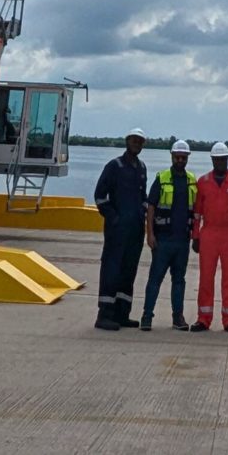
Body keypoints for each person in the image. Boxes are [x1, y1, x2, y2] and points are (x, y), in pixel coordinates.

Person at [92, 128, 147, 331]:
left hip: (135, 231)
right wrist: (114, 218)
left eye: (140, 141)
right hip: (117, 231)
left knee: (128, 271)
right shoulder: (114, 166)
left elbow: (143, 197)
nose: (136, 144)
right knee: (111, 270)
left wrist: (143, 213)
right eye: (134, 140)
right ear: (127, 141)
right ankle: (104, 315)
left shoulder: (141, 167)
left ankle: (122, 313)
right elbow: (100, 196)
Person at [191, 141, 228, 333]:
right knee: (206, 277)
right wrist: (196, 235)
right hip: (208, 233)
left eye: (222, 159)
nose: (220, 162)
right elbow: (197, 212)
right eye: (216, 159)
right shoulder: (202, 182)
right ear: (212, 160)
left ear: (227, 159)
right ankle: (203, 318)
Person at [140, 140, 198, 331]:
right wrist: (150, 234)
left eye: (183, 157)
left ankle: (177, 318)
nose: (180, 160)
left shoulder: (192, 180)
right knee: (155, 279)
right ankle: (147, 316)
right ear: (172, 156)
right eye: (177, 157)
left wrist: (196, 235)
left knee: (179, 280)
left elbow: (197, 210)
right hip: (163, 239)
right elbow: (151, 207)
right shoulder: (162, 178)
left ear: (187, 158)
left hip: (183, 240)